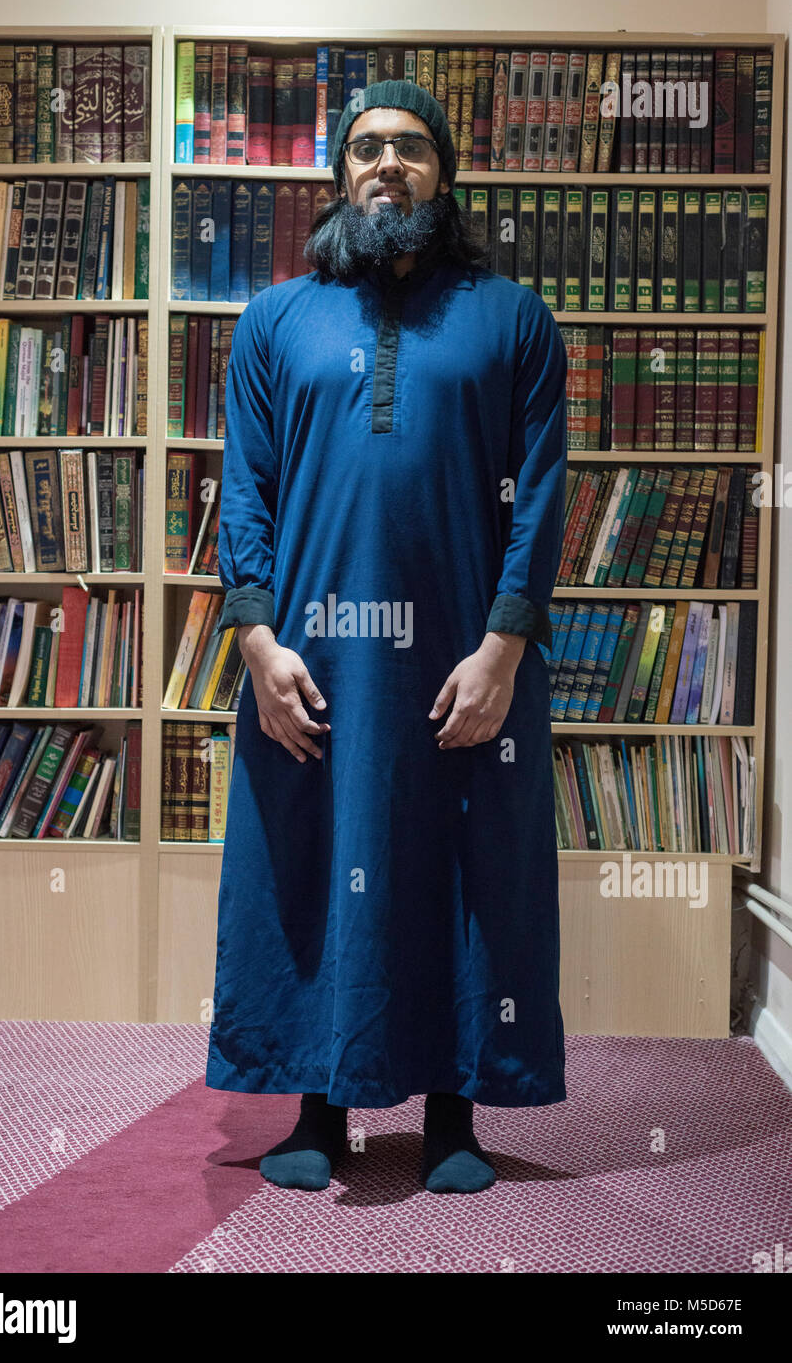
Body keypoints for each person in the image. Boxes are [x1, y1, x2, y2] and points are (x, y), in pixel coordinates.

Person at [204, 79, 569, 1194]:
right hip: (314, 660)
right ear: (341, 174)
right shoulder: (275, 322)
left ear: (444, 175)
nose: (388, 165)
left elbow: (543, 494)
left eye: (411, 147)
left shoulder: (512, 320)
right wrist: (259, 639)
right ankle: (319, 1105)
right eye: (367, 148)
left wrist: (503, 646)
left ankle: (454, 1111)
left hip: (464, 656)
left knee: (467, 867)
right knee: (313, 858)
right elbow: (246, 489)